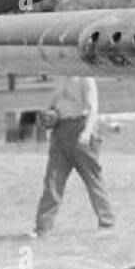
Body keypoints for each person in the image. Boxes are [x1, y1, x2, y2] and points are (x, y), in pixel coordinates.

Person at [28, 75, 115, 237]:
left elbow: (93, 107)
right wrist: (46, 117)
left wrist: (87, 133)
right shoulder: (60, 76)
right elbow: (52, 103)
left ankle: (107, 222)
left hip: (80, 128)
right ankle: (42, 227)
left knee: (92, 178)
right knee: (52, 181)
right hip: (60, 131)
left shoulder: (85, 77)